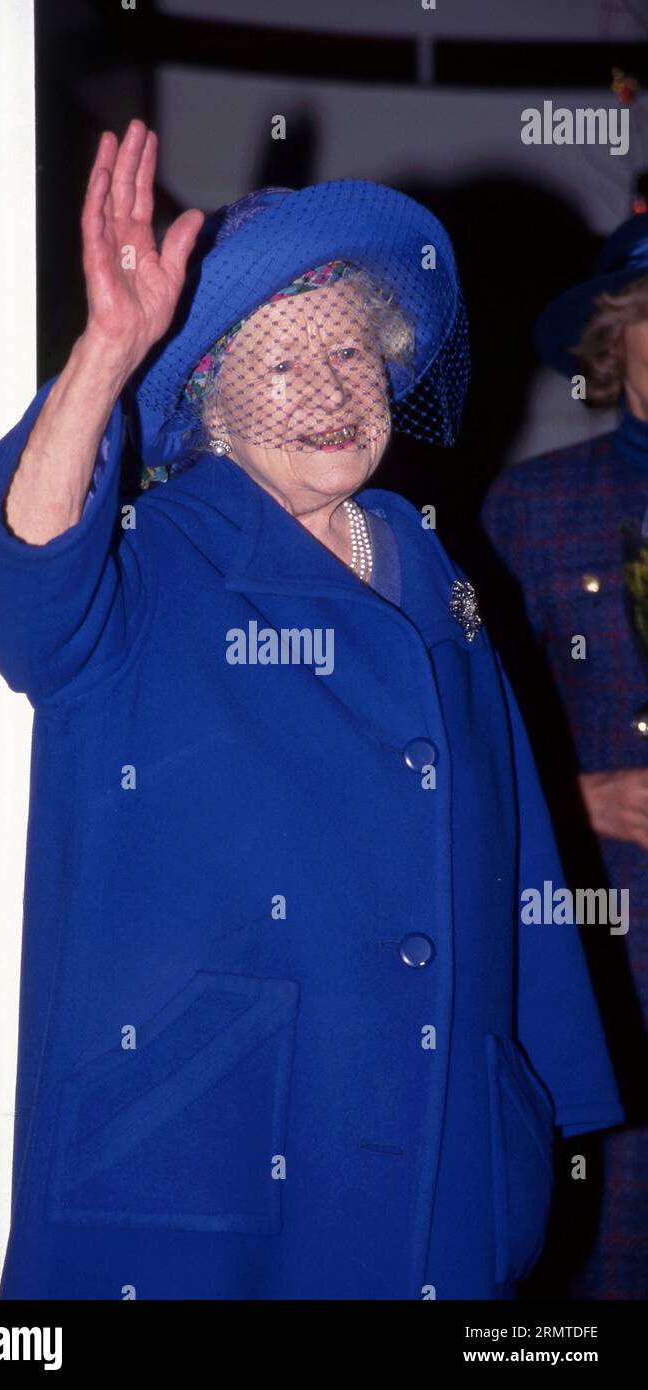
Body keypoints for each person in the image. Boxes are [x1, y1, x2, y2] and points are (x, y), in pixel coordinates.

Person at [0, 118, 624, 1301]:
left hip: (443, 1146)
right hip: (214, 1154)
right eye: (284, 362)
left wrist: (532, 1097)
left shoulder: (433, 567)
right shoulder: (151, 558)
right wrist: (104, 356)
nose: (331, 391)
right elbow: (15, 578)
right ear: (210, 396)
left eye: (355, 357)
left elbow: (517, 862)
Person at [481, 211, 648, 1299]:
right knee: (602, 1257)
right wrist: (575, 795)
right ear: (614, 341)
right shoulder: (527, 510)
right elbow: (458, 745)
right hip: (601, 961)